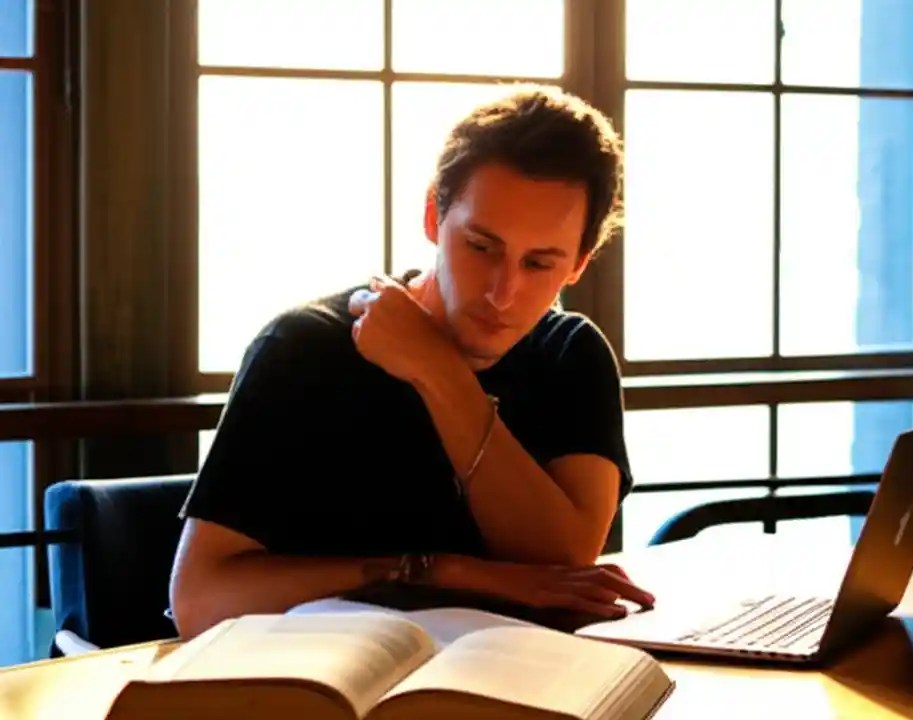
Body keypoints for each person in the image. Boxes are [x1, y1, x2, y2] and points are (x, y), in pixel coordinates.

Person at [169, 85, 655, 640]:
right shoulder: (304, 349)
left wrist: (437, 370)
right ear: (433, 217)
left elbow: (560, 559)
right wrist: (439, 570)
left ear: (579, 264)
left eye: (539, 263)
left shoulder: (571, 355)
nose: (503, 292)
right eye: (481, 247)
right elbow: (199, 600)